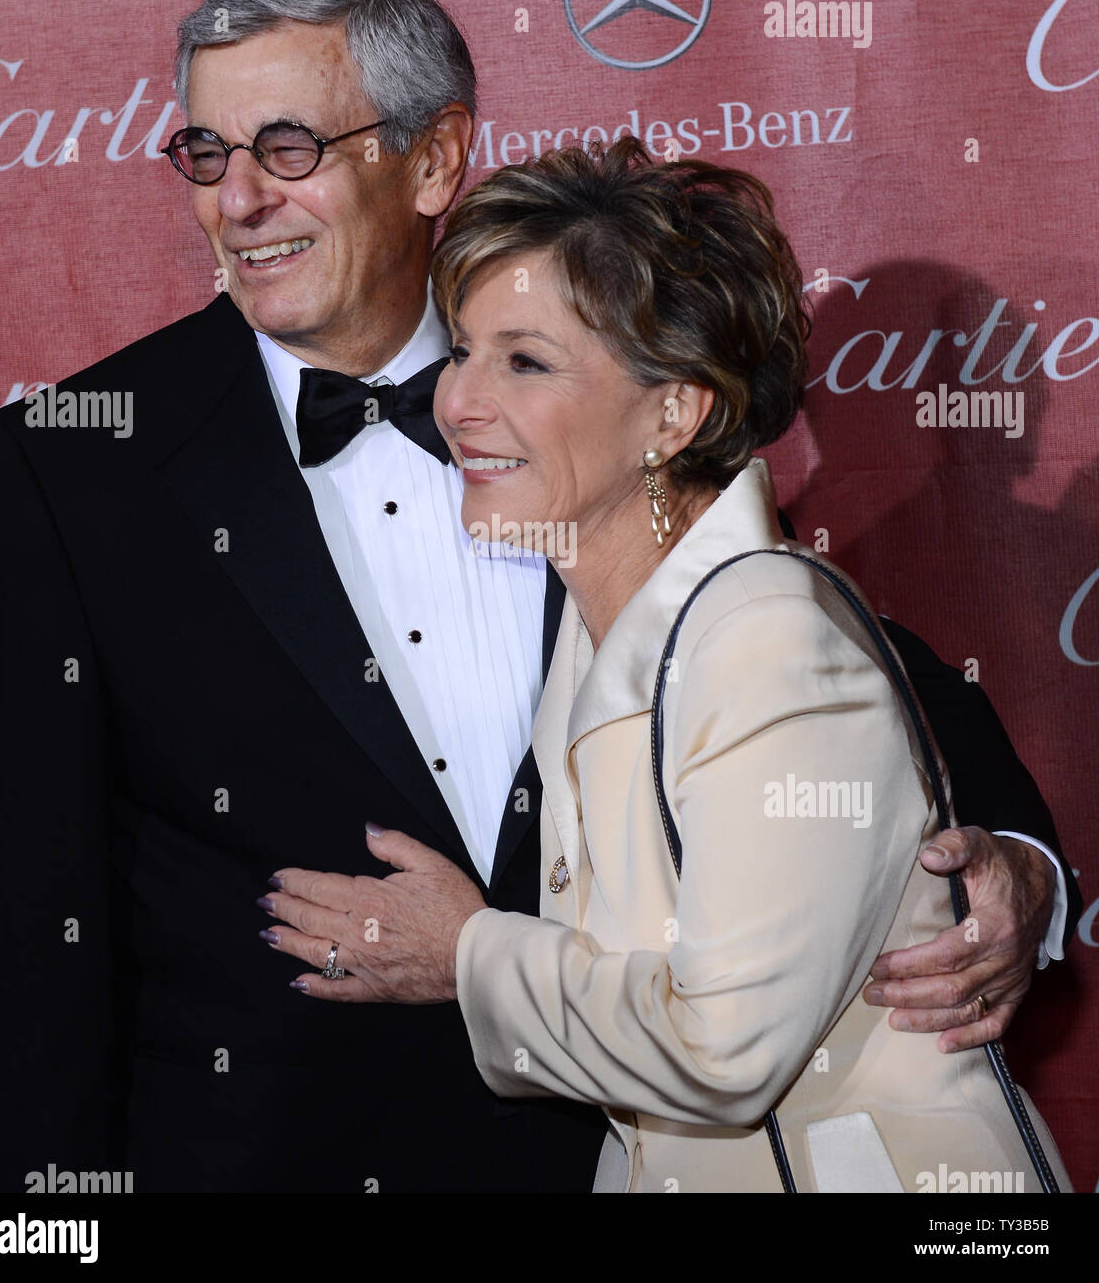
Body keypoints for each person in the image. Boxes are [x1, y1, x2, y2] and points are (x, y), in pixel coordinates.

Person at [0, 0, 1078, 1193]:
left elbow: (842, 680)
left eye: (288, 147)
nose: (240, 201)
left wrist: (1018, 863)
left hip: (618, 1158)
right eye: (206, 156)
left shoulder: (588, 392)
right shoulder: (77, 462)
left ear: (433, 159)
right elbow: (19, 910)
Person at [258, 138, 1074, 1192]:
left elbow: (727, 1050)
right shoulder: (604, 598)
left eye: (526, 360)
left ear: (674, 412)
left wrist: (467, 955)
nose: (454, 402)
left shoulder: (763, 630)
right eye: (460, 351)